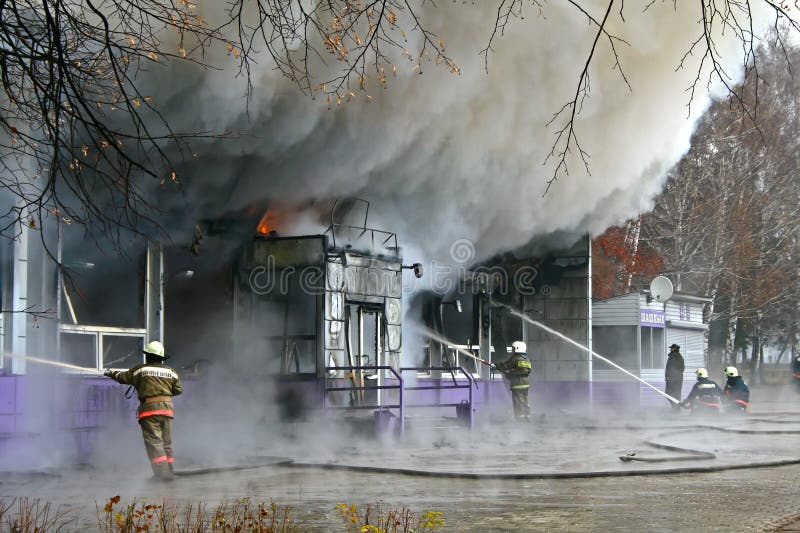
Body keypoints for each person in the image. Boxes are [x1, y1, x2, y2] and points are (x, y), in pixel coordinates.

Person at [104, 341, 183, 480]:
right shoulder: (171, 372)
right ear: (161, 358)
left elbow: (123, 377)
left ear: (147, 356)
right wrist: (163, 392)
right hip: (167, 410)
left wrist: (111, 373)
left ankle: (162, 475)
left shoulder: (141, 370)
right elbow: (178, 390)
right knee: (166, 442)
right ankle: (170, 471)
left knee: (154, 442)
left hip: (149, 410)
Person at [493, 341, 532, 421]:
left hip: (518, 383)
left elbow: (506, 366)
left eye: (513, 348)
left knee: (517, 402)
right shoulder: (526, 359)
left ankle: (520, 419)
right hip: (525, 383)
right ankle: (527, 417)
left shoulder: (516, 358)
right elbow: (524, 370)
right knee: (524, 400)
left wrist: (496, 365)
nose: (512, 350)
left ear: (517, 348)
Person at [665, 344, 685, 411]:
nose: (670, 349)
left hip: (672, 378)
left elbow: (669, 368)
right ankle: (677, 409)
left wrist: (668, 376)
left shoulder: (672, 356)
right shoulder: (680, 357)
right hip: (679, 378)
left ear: (675, 349)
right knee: (677, 394)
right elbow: (682, 368)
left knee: (668, 393)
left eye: (672, 348)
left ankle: (675, 408)